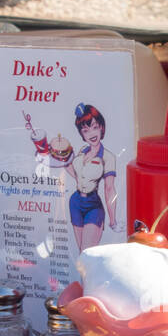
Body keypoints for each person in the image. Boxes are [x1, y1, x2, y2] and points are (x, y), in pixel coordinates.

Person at [64, 103, 120, 251]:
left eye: (95, 127)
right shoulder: (83, 150)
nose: (91, 133)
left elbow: (109, 189)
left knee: (88, 253)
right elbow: (78, 176)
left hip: (93, 205)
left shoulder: (108, 157)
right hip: (75, 202)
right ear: (82, 134)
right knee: (82, 255)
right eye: (85, 130)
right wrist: (61, 160)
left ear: (101, 127)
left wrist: (113, 220)